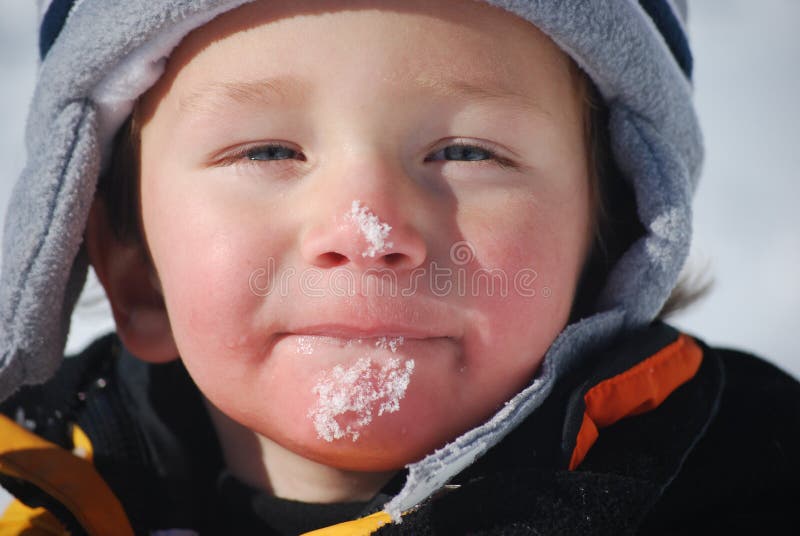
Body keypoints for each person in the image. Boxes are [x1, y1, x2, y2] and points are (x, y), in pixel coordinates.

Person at [0, 0, 798, 534]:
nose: (368, 228)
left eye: (464, 151)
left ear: (609, 238)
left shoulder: (748, 484)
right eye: (270, 150)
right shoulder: (44, 497)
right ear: (136, 273)